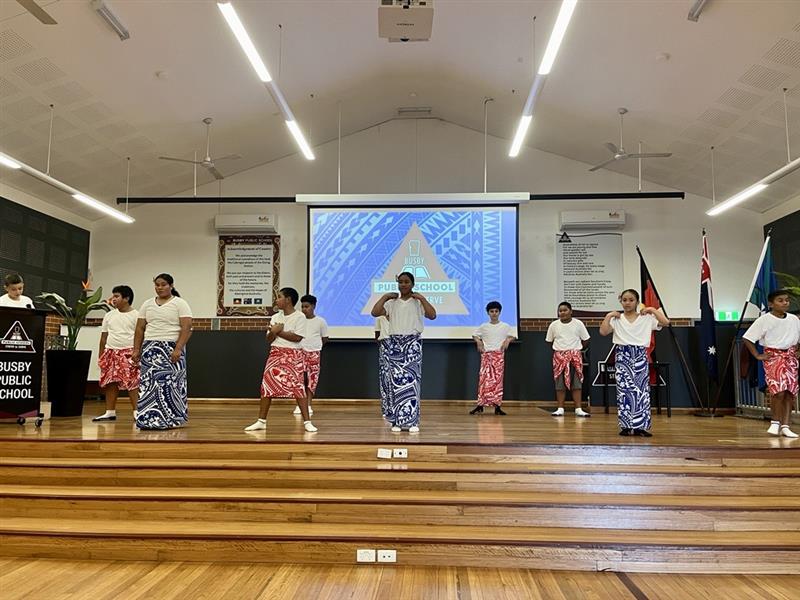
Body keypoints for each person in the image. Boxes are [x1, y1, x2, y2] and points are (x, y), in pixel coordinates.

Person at [371, 272, 436, 433]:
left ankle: (413, 421)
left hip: (412, 344)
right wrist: (385, 296)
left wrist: (422, 299)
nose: (403, 285)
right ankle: (397, 422)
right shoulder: (392, 303)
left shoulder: (417, 302)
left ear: (412, 284)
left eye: (407, 282)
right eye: (400, 282)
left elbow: (432, 315)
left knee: (413, 383)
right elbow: (375, 312)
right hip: (395, 344)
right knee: (396, 383)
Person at [245, 287, 317, 433]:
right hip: (275, 353)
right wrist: (273, 332)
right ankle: (261, 421)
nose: (276, 300)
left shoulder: (299, 317)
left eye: (279, 297)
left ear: (288, 300)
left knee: (298, 388)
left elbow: (297, 338)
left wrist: (279, 331)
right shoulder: (275, 317)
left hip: (293, 355)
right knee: (266, 387)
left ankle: (307, 422)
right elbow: (269, 338)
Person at [599, 289, 669, 437]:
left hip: (639, 355)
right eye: (624, 300)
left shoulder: (646, 318)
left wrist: (652, 310)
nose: (627, 303)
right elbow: (603, 332)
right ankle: (626, 426)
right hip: (623, 356)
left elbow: (666, 322)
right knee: (624, 392)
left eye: (631, 300)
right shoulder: (617, 319)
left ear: (637, 301)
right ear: (621, 301)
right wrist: (608, 316)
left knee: (641, 391)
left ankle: (640, 427)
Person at [132, 274, 192, 430]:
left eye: (163, 284)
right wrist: (136, 349)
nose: (160, 288)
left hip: (172, 347)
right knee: (149, 385)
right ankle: (148, 419)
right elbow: (140, 328)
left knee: (171, 384)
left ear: (171, 286)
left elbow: (187, 328)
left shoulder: (180, 303)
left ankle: (173, 419)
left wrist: (178, 348)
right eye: (157, 285)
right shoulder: (147, 304)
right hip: (150, 347)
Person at [742, 289, 800, 438]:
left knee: (789, 392)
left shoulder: (794, 319)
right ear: (771, 304)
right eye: (780, 300)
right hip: (774, 357)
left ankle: (786, 425)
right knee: (778, 390)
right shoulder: (764, 320)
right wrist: (757, 355)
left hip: (790, 357)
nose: (785, 303)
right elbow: (747, 338)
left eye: (786, 300)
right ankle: (775, 422)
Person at [93, 285, 140, 422]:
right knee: (110, 382)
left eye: (117, 296)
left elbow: (140, 336)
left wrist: (137, 352)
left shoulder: (136, 315)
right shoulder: (109, 315)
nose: (113, 299)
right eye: (113, 296)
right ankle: (110, 411)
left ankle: (137, 411)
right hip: (110, 352)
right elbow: (103, 338)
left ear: (126, 298)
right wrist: (101, 356)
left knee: (132, 383)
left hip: (129, 352)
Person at [546, 301, 591, 418]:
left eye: (565, 310)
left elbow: (586, 340)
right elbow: (549, 342)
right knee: (559, 384)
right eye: (560, 311)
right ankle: (560, 408)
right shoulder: (554, 325)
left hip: (575, 357)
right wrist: (561, 353)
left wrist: (574, 351)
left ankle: (578, 409)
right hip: (559, 357)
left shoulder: (578, 324)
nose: (562, 313)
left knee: (576, 383)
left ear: (571, 311)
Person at [470, 301, 516, 415]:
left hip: (498, 356)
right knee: (483, 380)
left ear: (499, 312)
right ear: (488, 313)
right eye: (492, 311)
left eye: (496, 311)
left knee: (497, 381)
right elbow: (475, 335)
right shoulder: (484, 326)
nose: (494, 313)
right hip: (486, 355)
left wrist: (508, 340)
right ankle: (480, 405)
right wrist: (478, 342)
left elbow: (513, 336)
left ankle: (497, 406)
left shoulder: (505, 326)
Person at [295, 294, 329, 417]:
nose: (304, 309)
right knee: (300, 379)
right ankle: (299, 405)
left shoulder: (320, 321)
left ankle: (308, 405)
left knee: (312, 380)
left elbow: (325, 338)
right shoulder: (298, 321)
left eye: (307, 306)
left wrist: (315, 347)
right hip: (300, 352)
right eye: (302, 307)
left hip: (314, 353)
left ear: (313, 306)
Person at [375, 315, 391, 418]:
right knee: (385, 377)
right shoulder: (379, 318)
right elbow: (377, 335)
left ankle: (395, 407)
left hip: (398, 343)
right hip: (384, 344)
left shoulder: (398, 314)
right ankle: (386, 408)